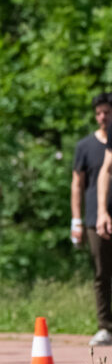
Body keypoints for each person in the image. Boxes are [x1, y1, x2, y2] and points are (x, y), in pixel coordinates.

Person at [81, 94, 112, 346]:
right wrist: (100, 212)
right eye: (99, 112)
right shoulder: (86, 146)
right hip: (98, 217)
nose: (103, 117)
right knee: (102, 271)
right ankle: (105, 326)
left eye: (107, 112)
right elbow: (105, 170)